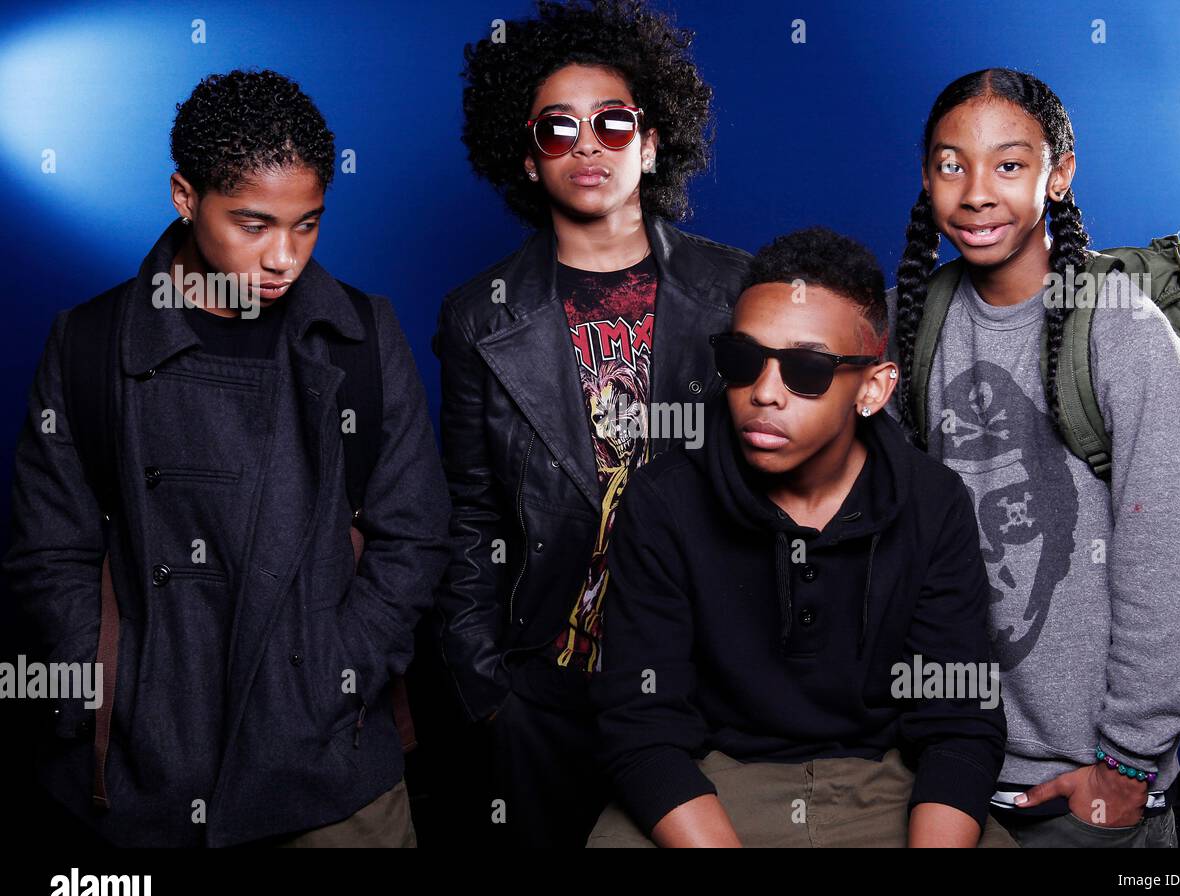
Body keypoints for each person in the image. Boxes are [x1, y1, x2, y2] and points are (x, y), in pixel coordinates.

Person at [4, 69, 451, 847]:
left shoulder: (363, 337)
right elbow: (49, 549)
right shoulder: (88, 343)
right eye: (254, 224)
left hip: (328, 773)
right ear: (185, 197)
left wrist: (336, 675)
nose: (285, 257)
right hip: (142, 774)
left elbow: (414, 535)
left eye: (307, 225)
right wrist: (112, 688)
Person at [885, 68, 1180, 847]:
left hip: (1085, 792)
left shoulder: (1121, 330)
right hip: (940, 777)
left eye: (1009, 164)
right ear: (926, 177)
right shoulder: (913, 322)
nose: (977, 192)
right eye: (951, 164)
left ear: (1059, 175)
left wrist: (1127, 766)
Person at [434, 0, 750, 847]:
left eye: (612, 123)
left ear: (649, 144)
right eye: (557, 129)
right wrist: (486, 687)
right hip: (548, 690)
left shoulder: (739, 293)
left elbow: (786, 481)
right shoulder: (478, 317)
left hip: (704, 679)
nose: (587, 146)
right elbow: (468, 516)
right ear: (527, 159)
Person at [586, 228, 1014, 848]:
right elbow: (640, 722)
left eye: (807, 369)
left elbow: (960, 719)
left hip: (890, 784)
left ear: (873, 388)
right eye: (743, 359)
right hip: (708, 785)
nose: (763, 393)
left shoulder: (933, 501)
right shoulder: (663, 499)